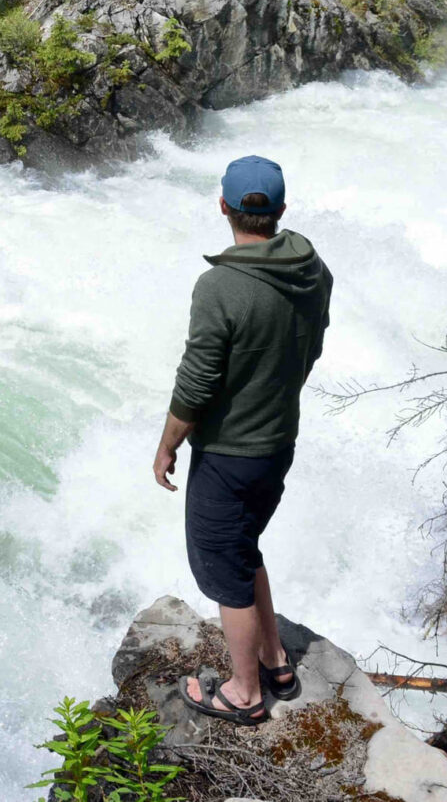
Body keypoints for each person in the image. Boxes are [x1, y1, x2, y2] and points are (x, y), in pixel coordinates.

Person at [151, 154, 333, 725]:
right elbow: (312, 347)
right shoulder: (311, 270)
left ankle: (246, 693)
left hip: (230, 454)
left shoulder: (221, 286)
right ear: (280, 210)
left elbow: (198, 378)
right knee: (245, 545)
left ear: (223, 205)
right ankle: (276, 659)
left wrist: (167, 443)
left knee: (225, 568)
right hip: (278, 443)